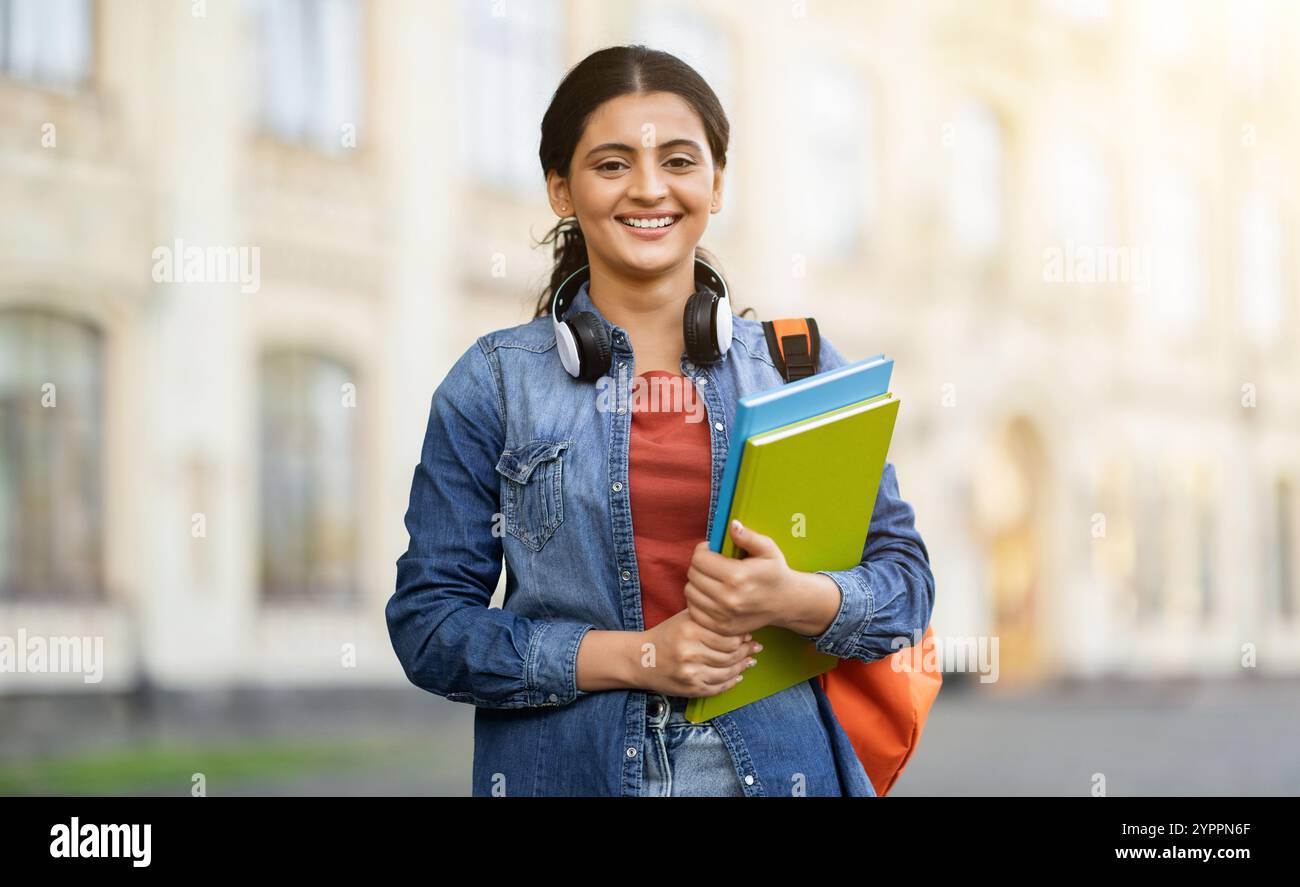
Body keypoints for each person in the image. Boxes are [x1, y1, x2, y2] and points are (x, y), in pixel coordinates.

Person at [386, 44, 935, 797]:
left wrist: (794, 598)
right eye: (612, 164)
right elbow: (429, 625)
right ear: (559, 189)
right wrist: (641, 655)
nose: (650, 189)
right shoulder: (492, 384)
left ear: (716, 181)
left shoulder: (800, 368)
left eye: (679, 161)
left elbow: (906, 590)